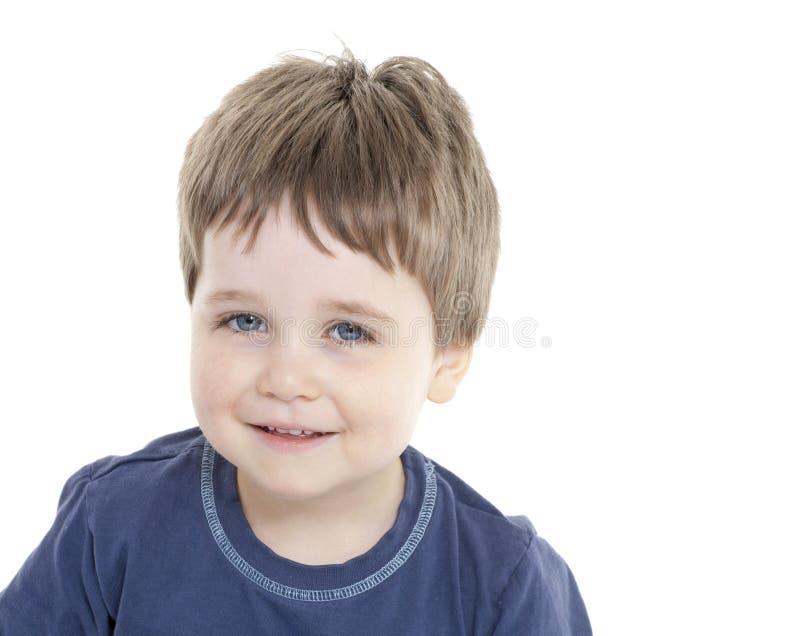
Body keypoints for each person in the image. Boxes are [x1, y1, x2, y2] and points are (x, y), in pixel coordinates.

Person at [0, 47, 592, 635]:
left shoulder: (501, 589)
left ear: (449, 355)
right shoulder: (111, 526)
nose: (286, 380)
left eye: (348, 331)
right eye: (245, 321)